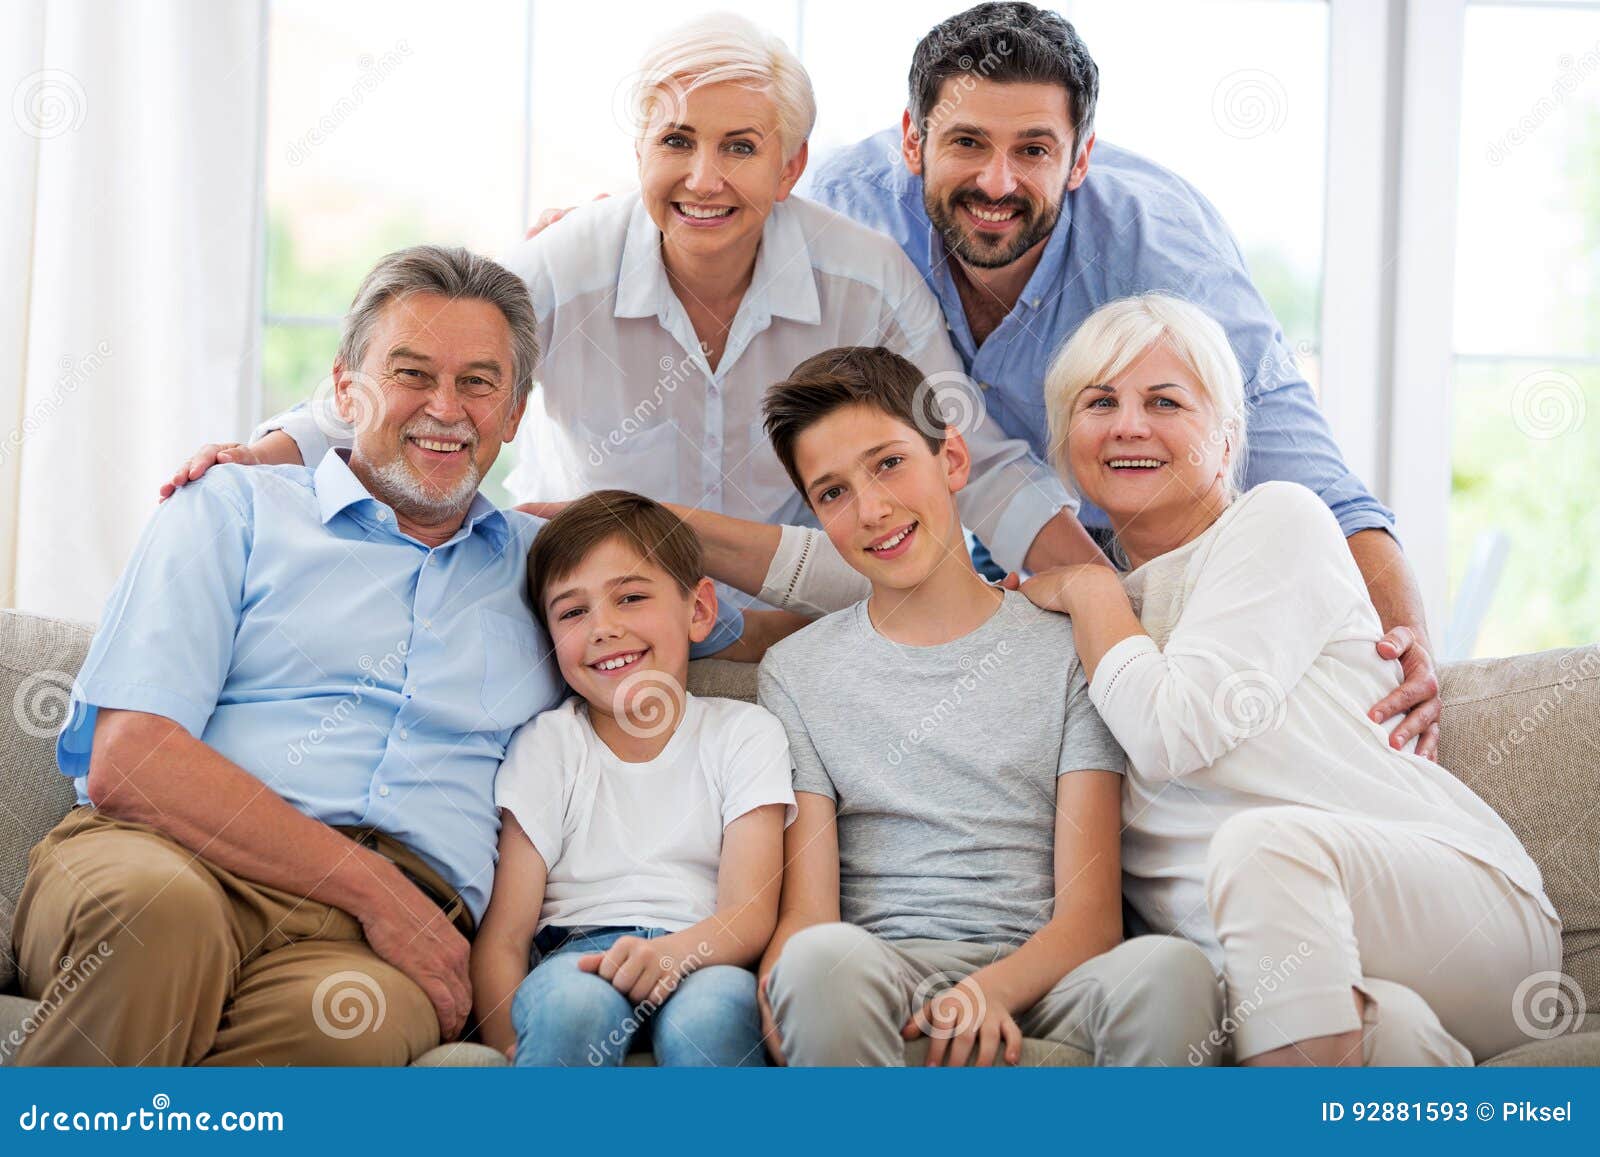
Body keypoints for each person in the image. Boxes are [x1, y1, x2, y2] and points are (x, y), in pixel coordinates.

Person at [167, 12, 1100, 658]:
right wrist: (261, 453)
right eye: (676, 141)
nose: (704, 178)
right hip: (584, 630)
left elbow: (975, 458)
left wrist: (1110, 601)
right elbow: (423, 374)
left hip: (789, 636)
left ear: (791, 165)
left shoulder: (865, 283)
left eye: (741, 147)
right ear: (641, 151)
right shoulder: (566, 266)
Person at [800, 2, 1445, 759]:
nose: (997, 181)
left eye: (1034, 150)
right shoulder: (847, 215)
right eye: (967, 142)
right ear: (913, 140)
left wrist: (1411, 650)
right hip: (963, 531)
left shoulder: (1160, 249)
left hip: (1118, 538)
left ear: (1080, 159)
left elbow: (1300, 462)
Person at [12, 246, 572, 1065]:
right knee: (162, 917)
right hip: (168, 855)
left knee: (355, 1026)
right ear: (346, 389)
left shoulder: (557, 572)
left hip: (367, 945)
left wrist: (656, 529)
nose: (446, 408)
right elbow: (128, 760)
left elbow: (758, 614)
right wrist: (372, 887)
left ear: (516, 412)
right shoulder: (231, 506)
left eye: (479, 383)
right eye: (410, 373)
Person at [1012, 293, 1558, 1064]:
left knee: (1261, 845)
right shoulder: (1088, 625)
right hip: (1293, 970)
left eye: (1164, 401)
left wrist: (1088, 586)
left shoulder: (1278, 522)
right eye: (1100, 402)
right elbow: (893, 574)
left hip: (1461, 915)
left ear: (1228, 436)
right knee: (1393, 1037)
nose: (1129, 423)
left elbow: (1173, 729)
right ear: (1068, 440)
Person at [750, 346, 1221, 1067]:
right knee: (817, 960)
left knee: (1172, 971)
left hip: (1047, 977)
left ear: (954, 462)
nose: (872, 508)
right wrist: (780, 986)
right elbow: (808, 916)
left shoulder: (1065, 649)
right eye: (833, 492)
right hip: (883, 974)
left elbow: (1091, 919)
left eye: (888, 463)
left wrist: (987, 991)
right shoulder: (797, 672)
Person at [471, 491, 794, 1067]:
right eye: (573, 612)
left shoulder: (746, 733)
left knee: (714, 1016)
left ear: (698, 612)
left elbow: (749, 915)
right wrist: (504, 1047)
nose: (604, 628)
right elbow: (503, 938)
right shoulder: (547, 745)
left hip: (706, 955)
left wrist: (673, 954)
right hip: (575, 956)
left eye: (631, 597)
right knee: (574, 1008)